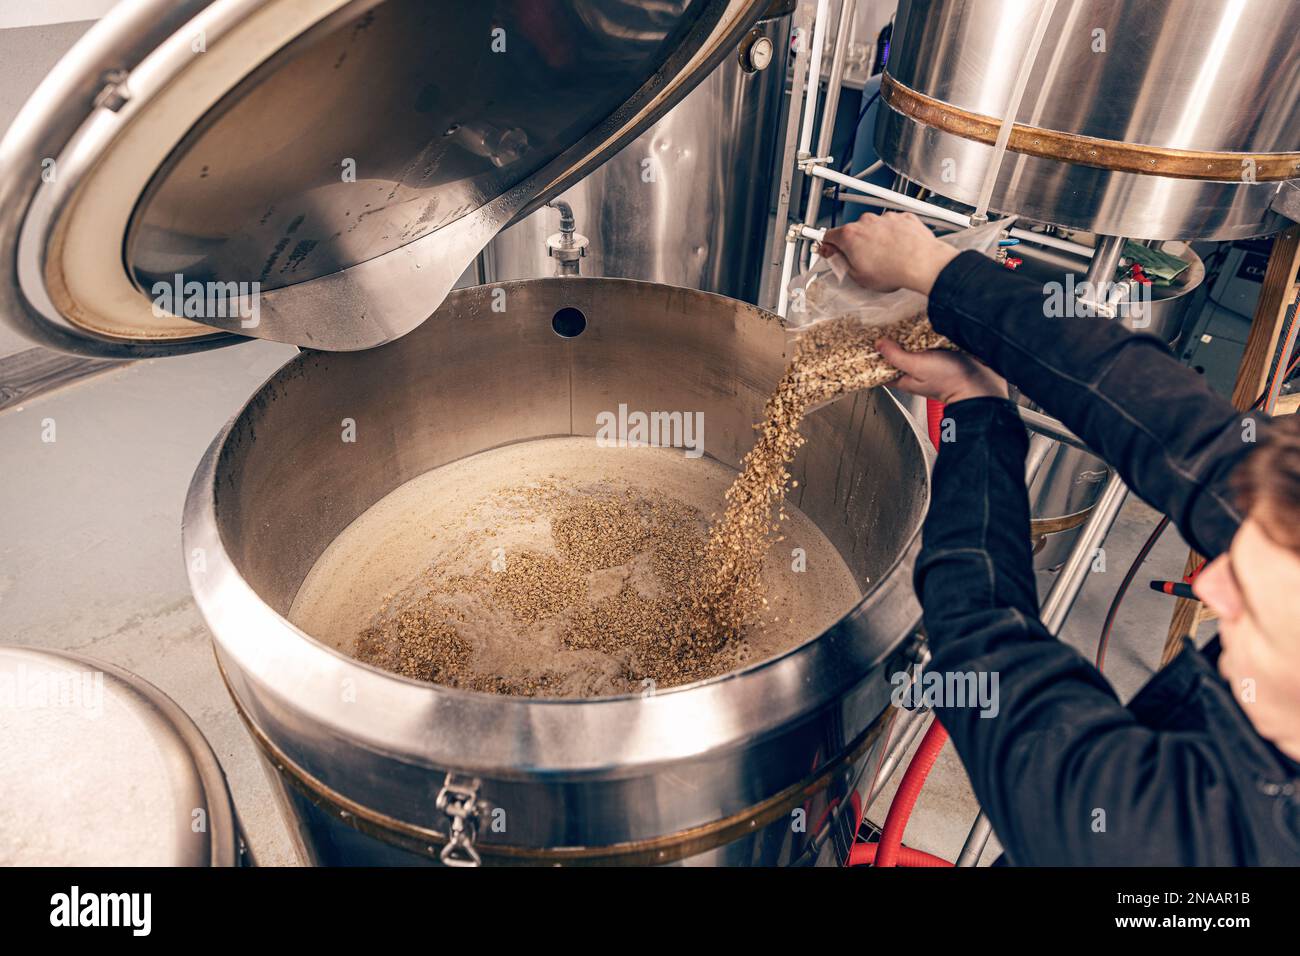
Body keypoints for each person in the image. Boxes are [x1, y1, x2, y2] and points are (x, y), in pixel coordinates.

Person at [819, 213, 1300, 866]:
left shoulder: (1166, 843)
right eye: (1235, 557)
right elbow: (1154, 411)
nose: (1208, 585)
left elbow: (985, 636)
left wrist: (978, 416)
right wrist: (938, 278)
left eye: (1250, 598)